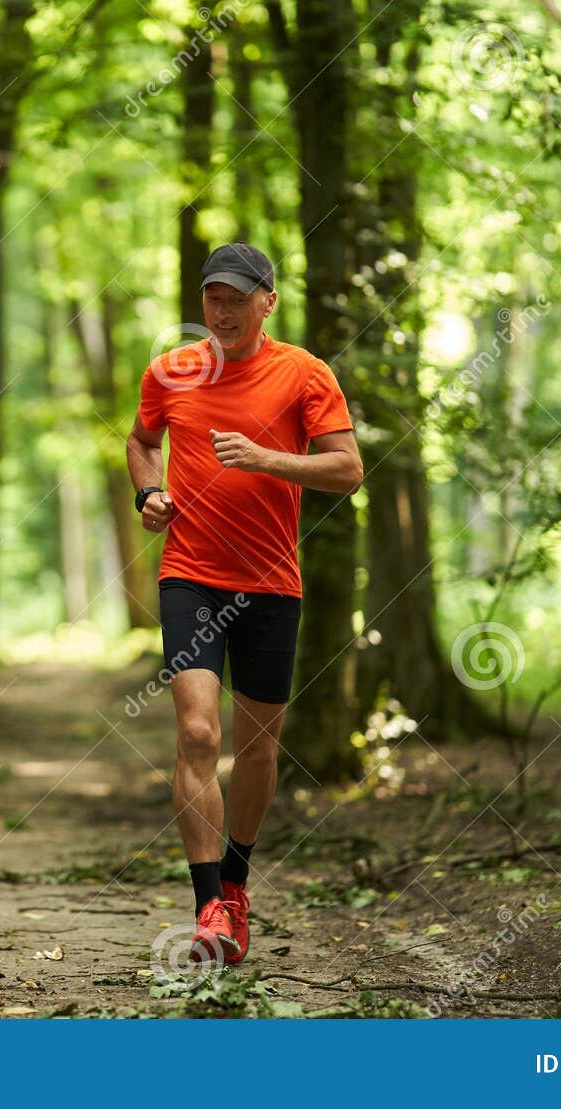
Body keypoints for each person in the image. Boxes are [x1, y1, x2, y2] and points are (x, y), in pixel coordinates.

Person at [126, 242, 363, 965]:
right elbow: (140, 442)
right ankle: (206, 906)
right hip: (191, 576)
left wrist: (269, 459)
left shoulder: (304, 373)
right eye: (212, 298)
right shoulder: (171, 370)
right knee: (198, 733)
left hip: (270, 583)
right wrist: (149, 492)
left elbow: (348, 468)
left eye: (236, 297)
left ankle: (235, 880)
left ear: (268, 300)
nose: (222, 311)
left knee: (258, 748)